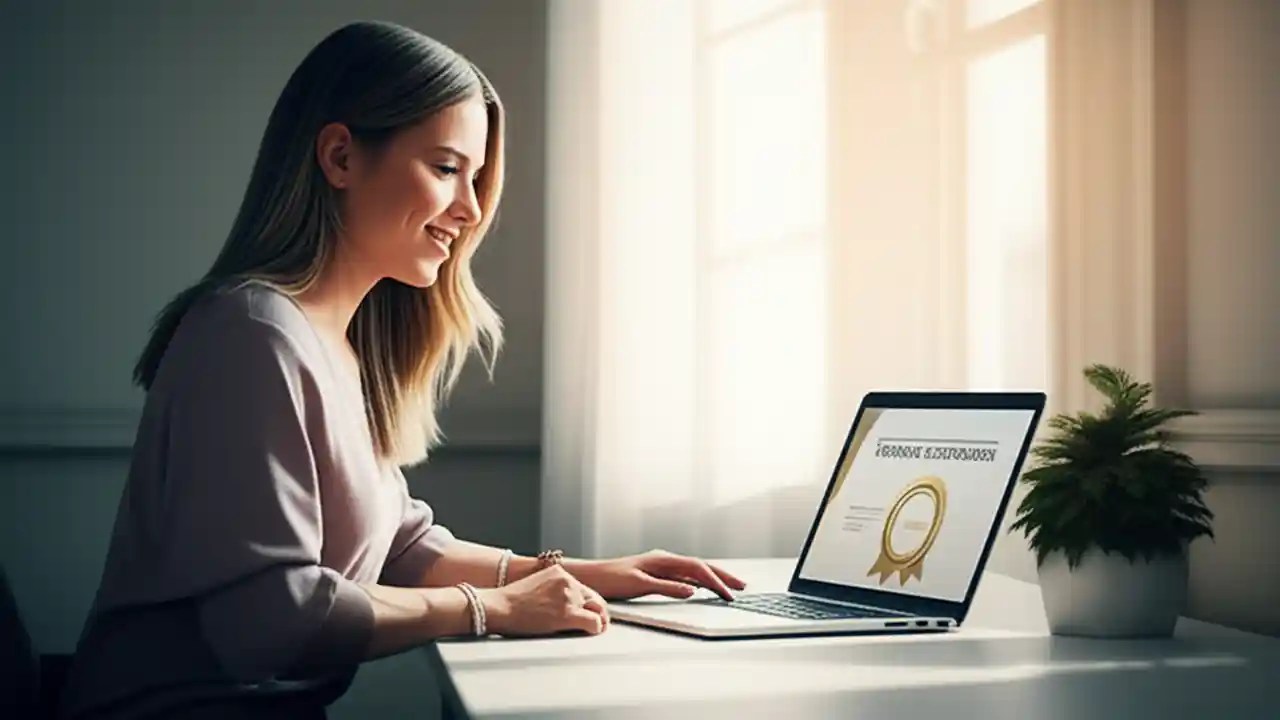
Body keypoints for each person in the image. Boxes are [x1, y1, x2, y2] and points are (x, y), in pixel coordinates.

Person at [57, 20, 745, 720]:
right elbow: (269, 622)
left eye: (475, 179)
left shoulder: (331, 339)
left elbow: (401, 546)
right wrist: (491, 609)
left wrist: (581, 574)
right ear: (340, 157)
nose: (471, 210)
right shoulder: (253, 334)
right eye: (447, 169)